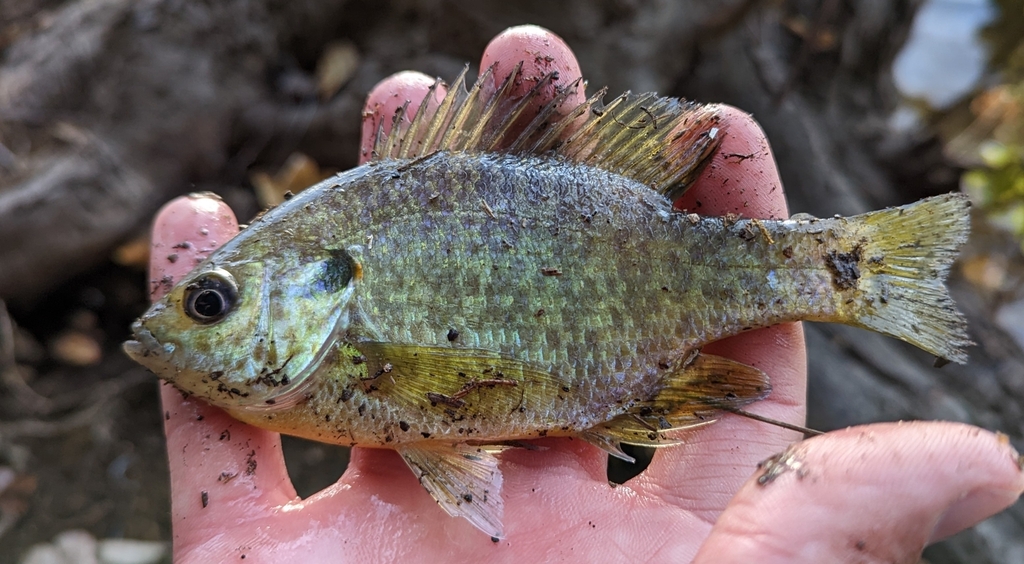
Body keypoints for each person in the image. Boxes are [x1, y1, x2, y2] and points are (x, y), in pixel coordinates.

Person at [146, 26, 1023, 563]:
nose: (182, 325)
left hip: (624, 265)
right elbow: (442, 428)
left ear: (326, 283)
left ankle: (855, 269)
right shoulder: (336, 363)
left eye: (211, 302)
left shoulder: (341, 362)